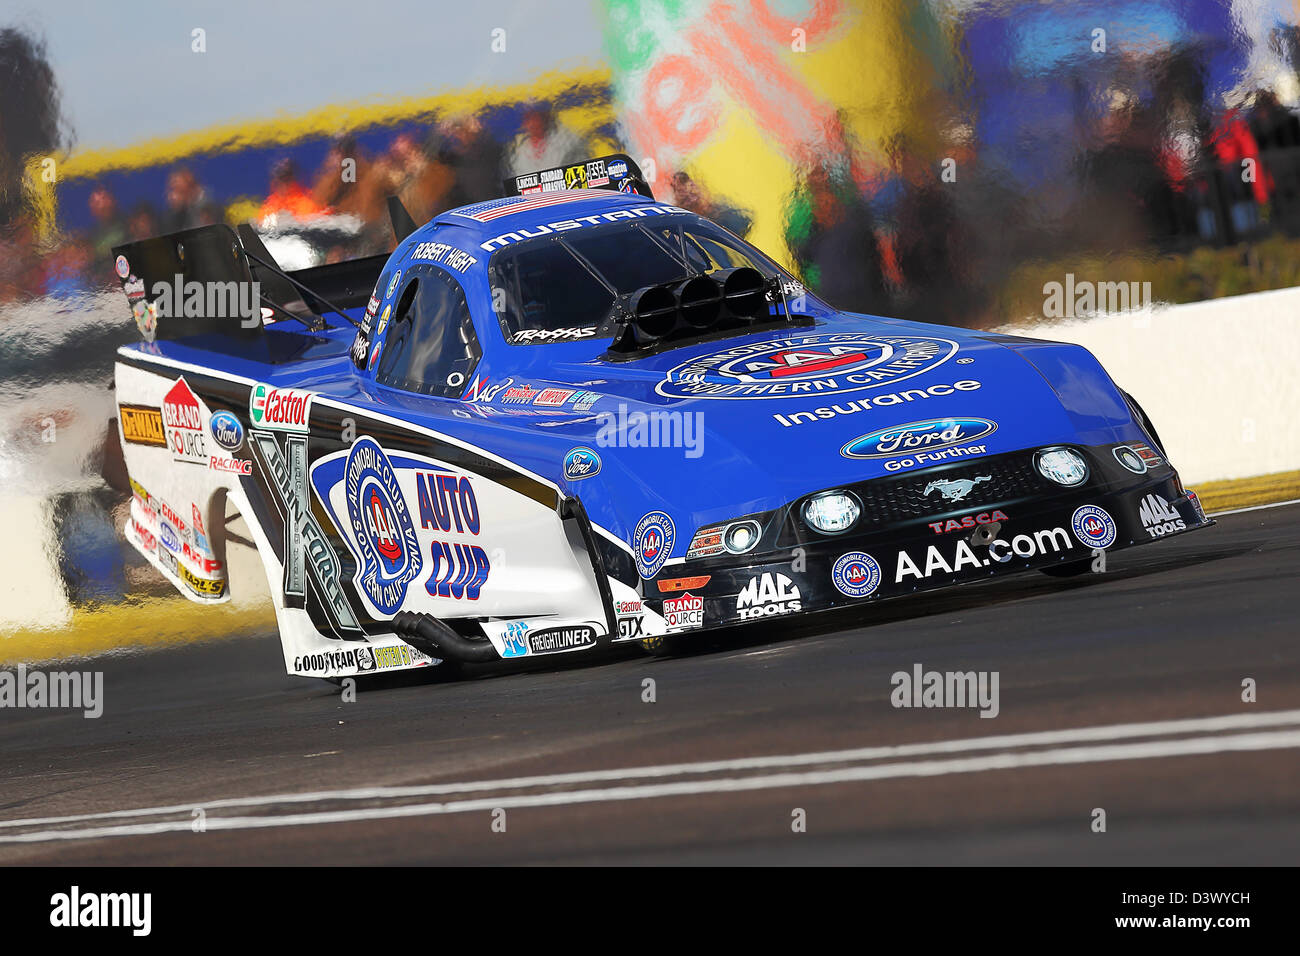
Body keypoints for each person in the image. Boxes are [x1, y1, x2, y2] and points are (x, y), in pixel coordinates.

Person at [503, 104, 586, 178]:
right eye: (527, 118)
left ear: (545, 116)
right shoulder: (519, 152)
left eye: (535, 117)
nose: (531, 123)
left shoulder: (569, 143)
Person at [260, 157, 328, 222]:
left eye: (287, 180)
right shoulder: (268, 209)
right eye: (280, 180)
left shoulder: (306, 206)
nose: (284, 186)